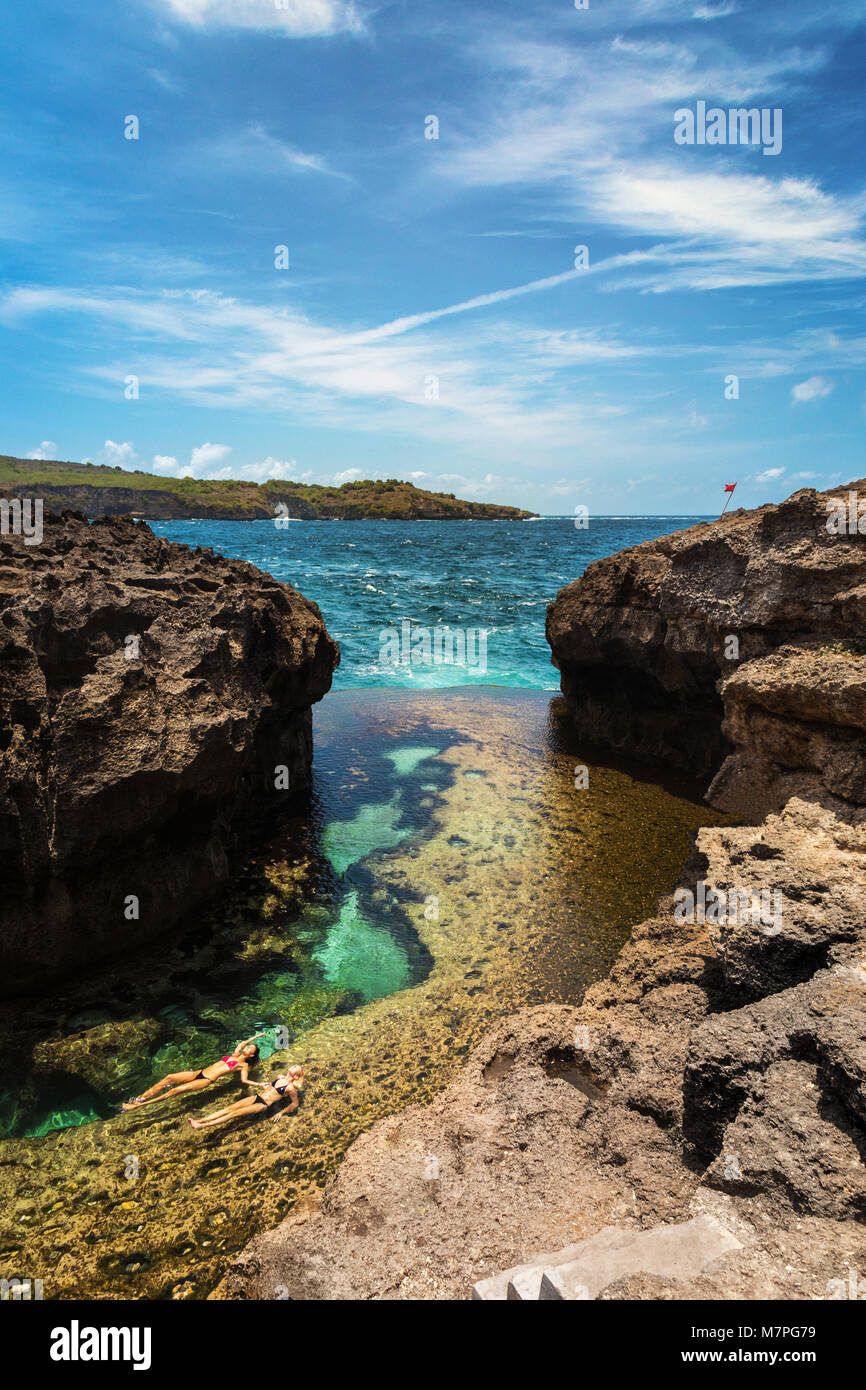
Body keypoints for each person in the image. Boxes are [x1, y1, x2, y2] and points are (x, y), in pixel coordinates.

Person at [121, 1033, 267, 1110]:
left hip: (205, 1080)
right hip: (197, 1072)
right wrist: (257, 1037)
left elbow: (244, 1080)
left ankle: (137, 1106)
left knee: (172, 1091)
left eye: (251, 1050)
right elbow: (243, 1042)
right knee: (169, 1077)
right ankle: (141, 1098)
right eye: (248, 1047)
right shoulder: (235, 1054)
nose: (247, 1048)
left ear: (252, 1055)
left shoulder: (243, 1066)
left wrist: (259, 1085)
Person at [186, 1065, 305, 1130]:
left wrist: (281, 1113)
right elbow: (273, 1090)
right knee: (228, 1109)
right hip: (256, 1097)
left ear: (296, 1075)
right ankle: (200, 1120)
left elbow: (295, 1103)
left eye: (295, 1067)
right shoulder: (280, 1077)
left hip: (263, 1104)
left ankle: (201, 1126)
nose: (293, 1065)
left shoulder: (290, 1088)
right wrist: (266, 1085)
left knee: (234, 1114)